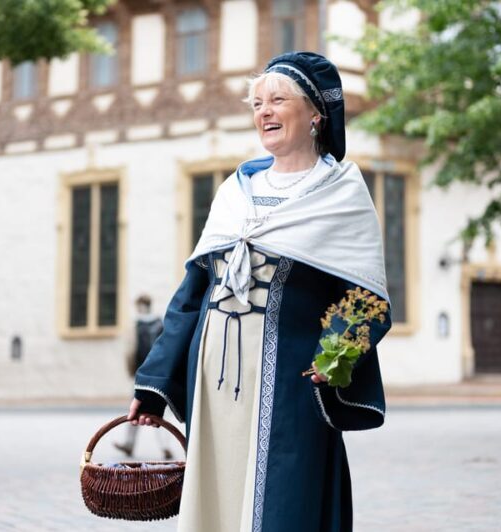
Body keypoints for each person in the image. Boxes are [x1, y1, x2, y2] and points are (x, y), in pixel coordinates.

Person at [127, 52, 392, 532]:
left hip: (290, 382)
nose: (264, 111)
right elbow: (192, 295)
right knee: (218, 497)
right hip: (214, 381)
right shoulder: (235, 191)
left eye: (278, 100)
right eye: (256, 104)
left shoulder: (340, 192)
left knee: (285, 502)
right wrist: (154, 384)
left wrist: (334, 355)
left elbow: (366, 298)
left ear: (315, 113)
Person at [113, 294, 172, 459]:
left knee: (139, 408)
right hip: (152, 373)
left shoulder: (142, 324)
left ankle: (135, 444)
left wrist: (132, 369)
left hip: (146, 373)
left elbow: (131, 350)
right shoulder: (157, 323)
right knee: (148, 409)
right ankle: (160, 446)